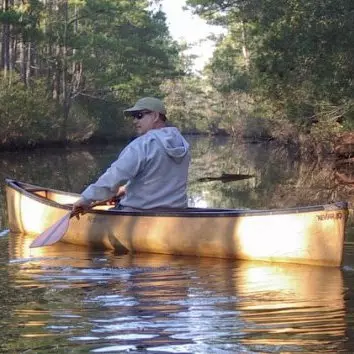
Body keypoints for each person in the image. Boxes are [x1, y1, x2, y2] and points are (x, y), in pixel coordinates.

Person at [72, 97, 190, 214]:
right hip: (177, 213)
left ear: (155, 116)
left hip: (139, 212)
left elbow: (114, 176)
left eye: (139, 116)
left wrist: (85, 199)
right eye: (134, 117)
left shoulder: (142, 144)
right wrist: (126, 189)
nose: (135, 121)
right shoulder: (182, 144)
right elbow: (158, 179)